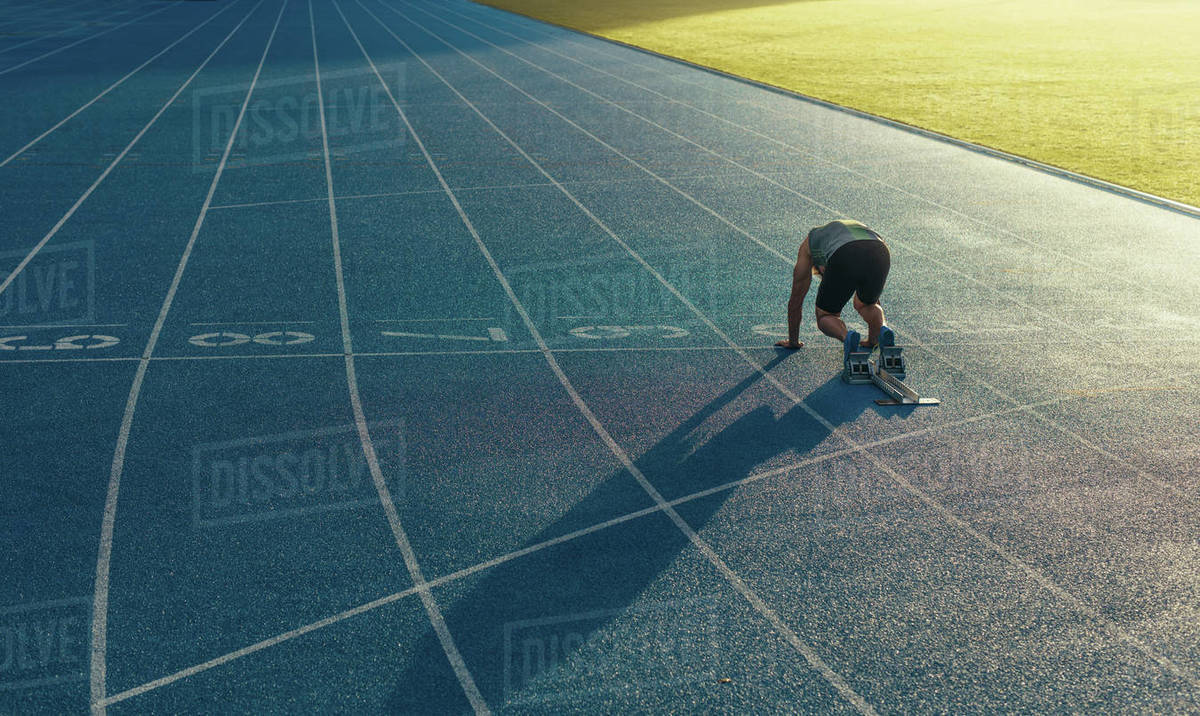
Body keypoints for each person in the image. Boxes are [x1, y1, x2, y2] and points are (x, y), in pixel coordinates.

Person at [774, 219, 895, 367]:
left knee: (826, 315)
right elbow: (874, 300)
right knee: (867, 304)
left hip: (846, 253)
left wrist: (793, 342)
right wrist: (872, 340)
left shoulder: (808, 247)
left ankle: (847, 337)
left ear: (819, 265)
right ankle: (884, 329)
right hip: (880, 250)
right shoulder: (836, 233)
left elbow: (796, 300)